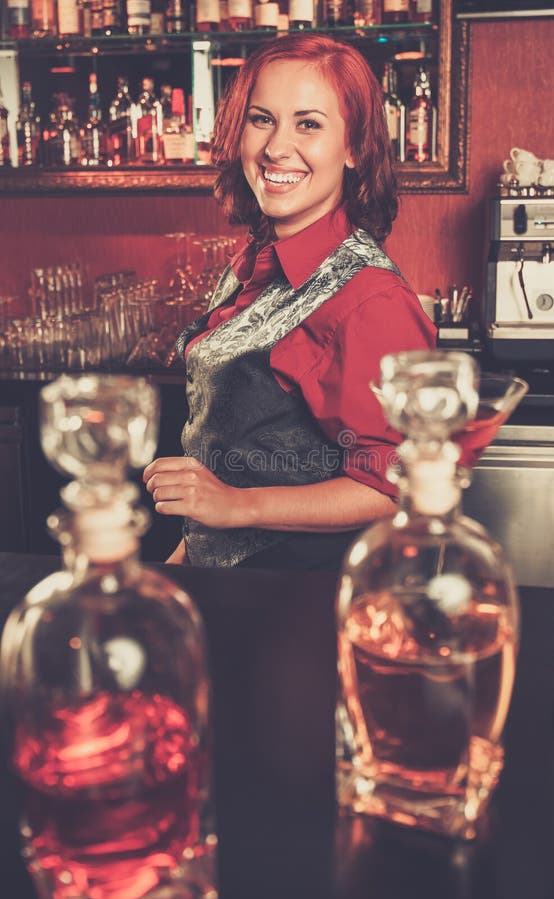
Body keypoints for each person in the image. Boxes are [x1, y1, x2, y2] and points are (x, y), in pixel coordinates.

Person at [143, 32, 437, 570]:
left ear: (353, 147)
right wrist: (183, 561)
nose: (277, 148)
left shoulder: (370, 300)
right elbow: (233, 451)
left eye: (309, 124)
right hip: (229, 588)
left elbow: (399, 486)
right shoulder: (256, 258)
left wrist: (234, 506)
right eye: (262, 119)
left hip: (297, 602)